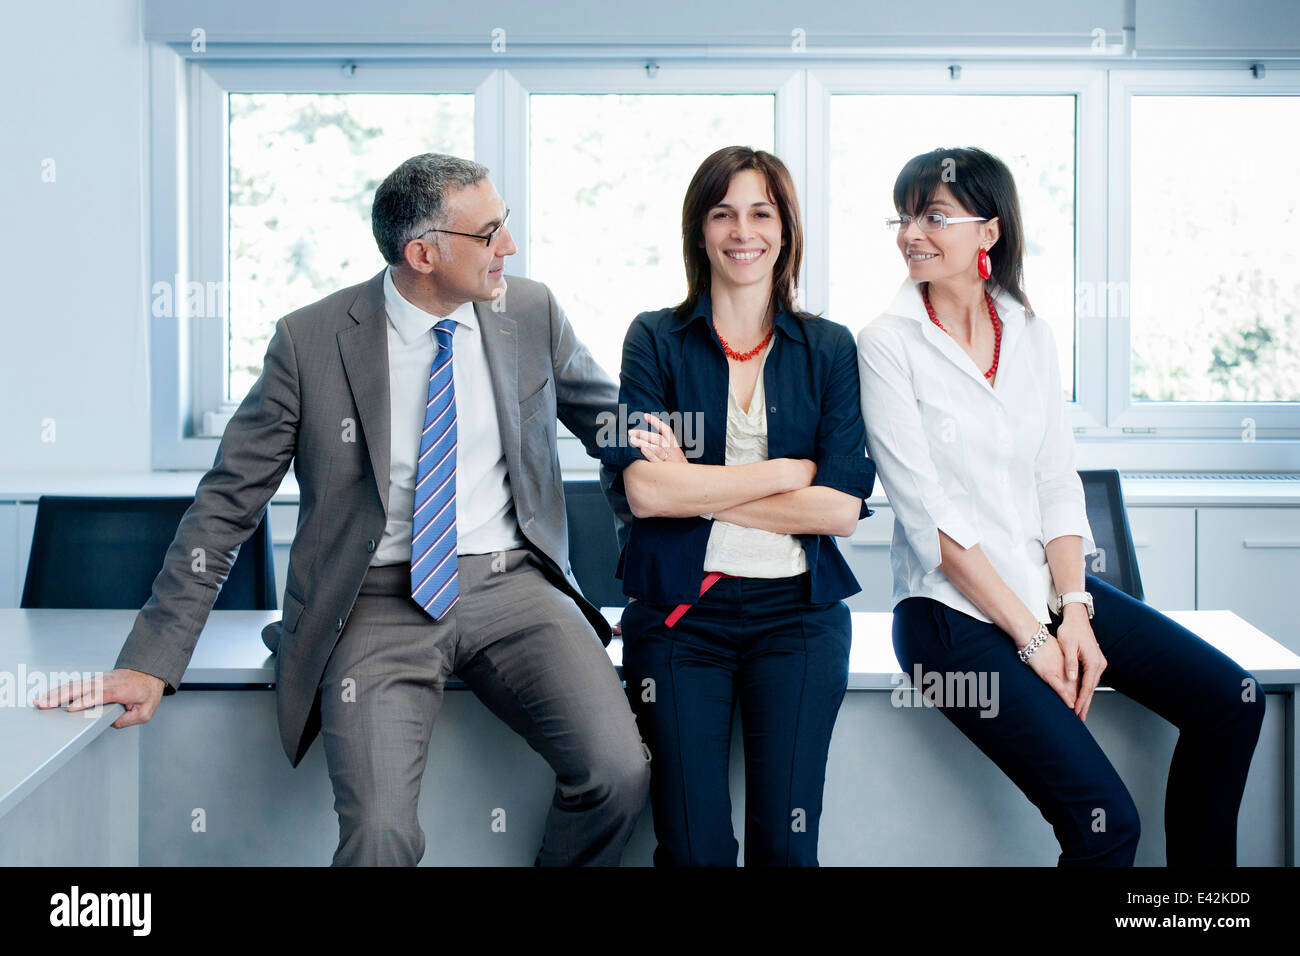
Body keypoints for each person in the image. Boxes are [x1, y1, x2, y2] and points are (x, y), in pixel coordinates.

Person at [35, 152, 650, 866]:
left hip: (514, 588)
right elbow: (226, 505)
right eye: (489, 233)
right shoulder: (310, 342)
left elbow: (606, 421)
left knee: (619, 774)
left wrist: (681, 453)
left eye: (503, 225)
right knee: (380, 835)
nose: (507, 246)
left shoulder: (530, 311)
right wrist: (150, 659)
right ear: (423, 253)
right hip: (375, 600)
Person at [857, 146, 1265, 866]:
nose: (910, 233)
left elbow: (1055, 481)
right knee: (1107, 822)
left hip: (1045, 589)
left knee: (1232, 701)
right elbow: (929, 517)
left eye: (933, 216)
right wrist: (1035, 639)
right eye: (904, 216)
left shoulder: (1029, 331)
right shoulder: (887, 344)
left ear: (989, 233)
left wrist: (1074, 608)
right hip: (950, 617)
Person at [601, 146, 875, 866]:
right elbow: (647, 492)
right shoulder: (654, 339)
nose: (742, 230)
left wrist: (700, 487)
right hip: (681, 621)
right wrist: (786, 471)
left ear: (785, 230)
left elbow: (840, 510)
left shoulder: (829, 348)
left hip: (799, 620)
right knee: (693, 852)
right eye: (723, 213)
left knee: (786, 849)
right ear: (700, 230)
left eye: (761, 212)